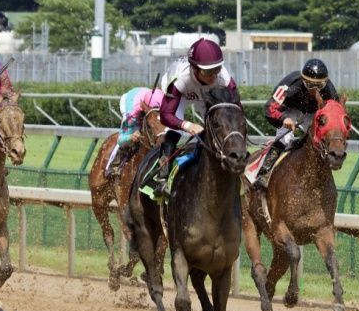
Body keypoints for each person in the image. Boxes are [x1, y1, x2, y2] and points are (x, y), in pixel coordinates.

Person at [144, 39, 239, 198]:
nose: (214, 75)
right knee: (174, 131)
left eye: (217, 68)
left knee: (215, 126)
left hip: (206, 94)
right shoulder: (180, 80)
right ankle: (162, 176)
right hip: (181, 93)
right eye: (208, 71)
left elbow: (236, 111)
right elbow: (166, 116)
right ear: (194, 69)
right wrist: (187, 125)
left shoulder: (224, 79)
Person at [252, 58, 339, 190]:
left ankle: (324, 179)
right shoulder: (290, 84)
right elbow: (269, 107)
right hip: (289, 111)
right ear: (303, 81)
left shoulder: (330, 91)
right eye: (310, 85)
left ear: (325, 83)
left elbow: (335, 116)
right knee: (284, 139)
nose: (314, 91)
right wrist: (283, 119)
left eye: (319, 86)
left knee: (321, 142)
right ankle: (264, 174)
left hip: (313, 113)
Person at [103, 86, 166, 179]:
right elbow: (120, 140)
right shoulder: (132, 115)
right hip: (129, 100)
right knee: (136, 131)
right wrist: (130, 136)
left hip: (149, 98)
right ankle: (114, 164)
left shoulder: (163, 105)